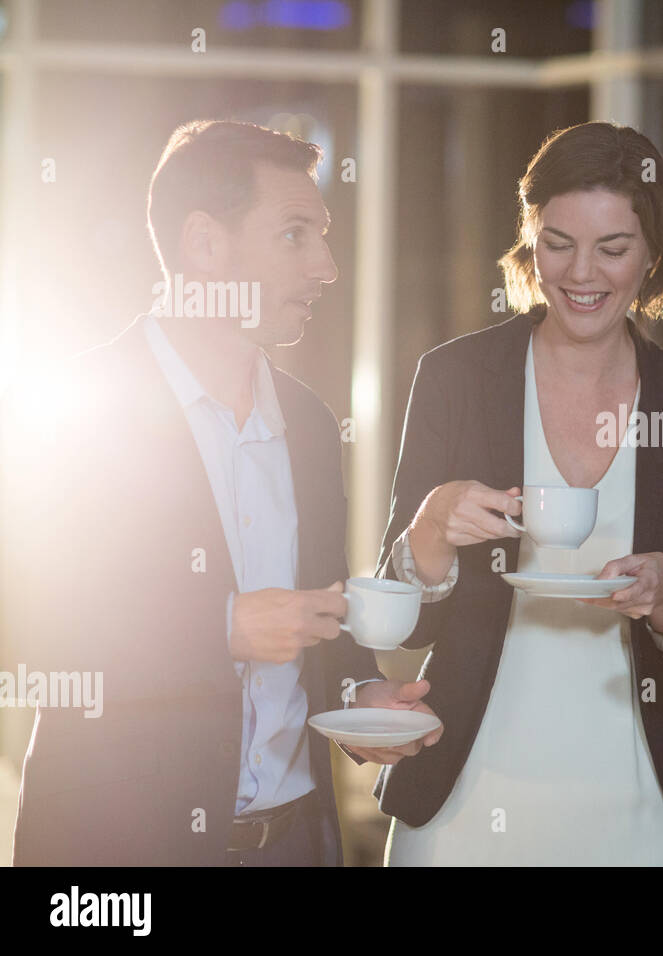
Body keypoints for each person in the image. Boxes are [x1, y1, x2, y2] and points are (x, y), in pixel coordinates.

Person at [4, 120, 437, 866]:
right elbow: (23, 645)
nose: (327, 267)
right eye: (296, 236)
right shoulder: (70, 410)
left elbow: (310, 626)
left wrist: (356, 695)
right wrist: (221, 628)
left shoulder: (307, 421)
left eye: (323, 236)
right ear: (204, 246)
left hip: (296, 843)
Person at [373, 121, 663, 865]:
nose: (582, 273)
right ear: (529, 239)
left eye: (613, 248)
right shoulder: (455, 379)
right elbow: (397, 631)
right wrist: (433, 528)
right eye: (558, 242)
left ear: (653, 253)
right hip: (463, 799)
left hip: (634, 801)